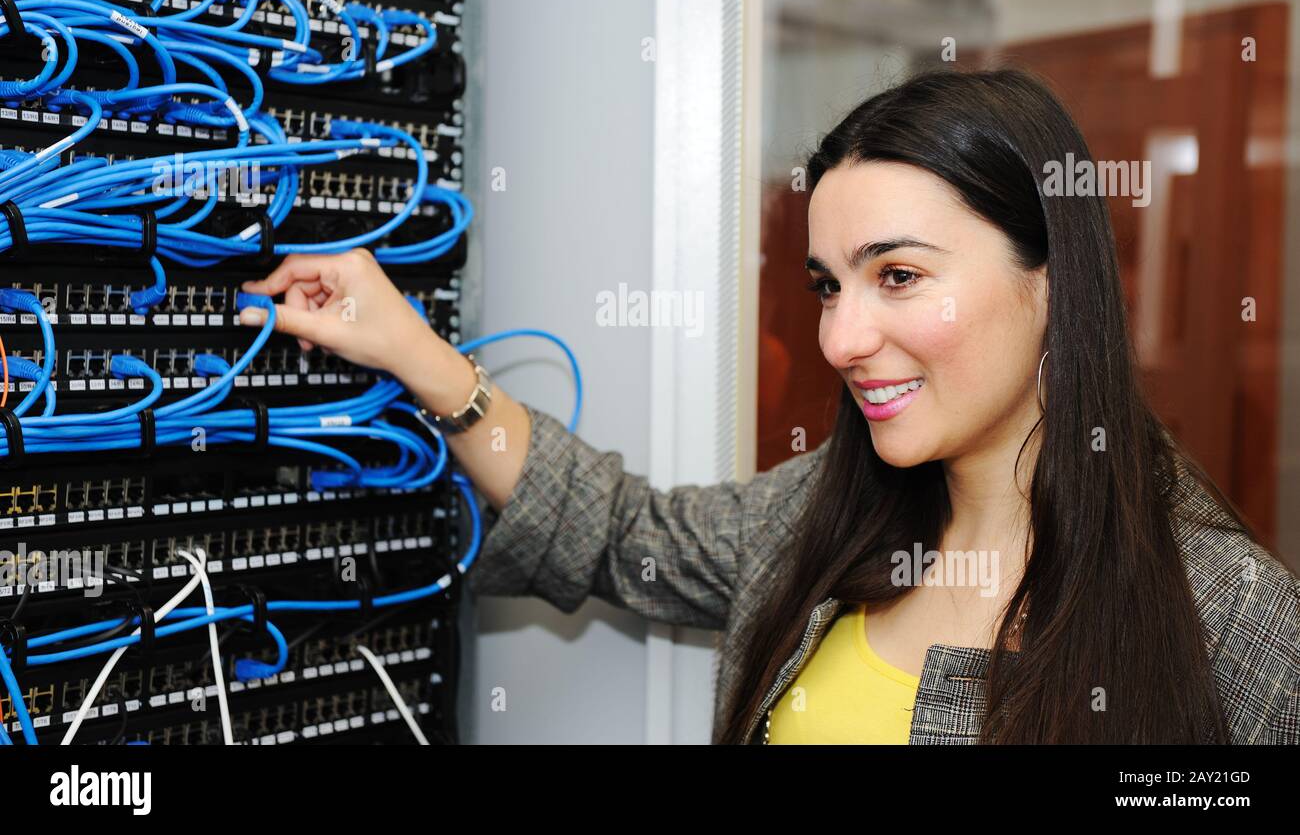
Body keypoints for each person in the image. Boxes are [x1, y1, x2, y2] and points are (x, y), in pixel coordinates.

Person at [238, 68, 1299, 745]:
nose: (840, 338)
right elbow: (616, 530)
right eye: (829, 285)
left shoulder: (1227, 616)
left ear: (1053, 283)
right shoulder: (825, 519)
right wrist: (413, 350)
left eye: (896, 276)